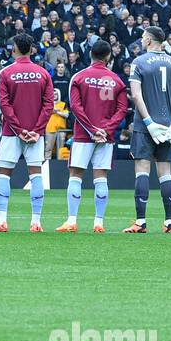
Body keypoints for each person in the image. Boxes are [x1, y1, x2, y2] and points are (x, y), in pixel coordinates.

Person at [57, 39, 127, 233]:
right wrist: (106, 129)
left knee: (76, 175)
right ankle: (99, 222)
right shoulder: (117, 80)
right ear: (108, 57)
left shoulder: (79, 77)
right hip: (106, 137)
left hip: (83, 136)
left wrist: (91, 129)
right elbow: (122, 109)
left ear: (90, 55)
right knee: (101, 177)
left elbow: (75, 107)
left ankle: (71, 221)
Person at [0, 35, 53, 233]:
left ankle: (1, 221)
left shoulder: (6, 73)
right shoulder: (43, 74)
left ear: (14, 49)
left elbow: (4, 104)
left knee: (3, 174)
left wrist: (18, 129)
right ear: (32, 49)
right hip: (35, 134)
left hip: (11, 132)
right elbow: (48, 105)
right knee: (36, 174)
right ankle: (36, 222)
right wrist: (36, 130)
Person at [125, 26, 171, 233]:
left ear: (150, 41)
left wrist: (149, 122)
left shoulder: (139, 62)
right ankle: (169, 222)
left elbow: (136, 95)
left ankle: (140, 222)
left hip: (145, 125)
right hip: (168, 125)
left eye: (143, 37)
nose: (141, 41)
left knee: (142, 170)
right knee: (165, 172)